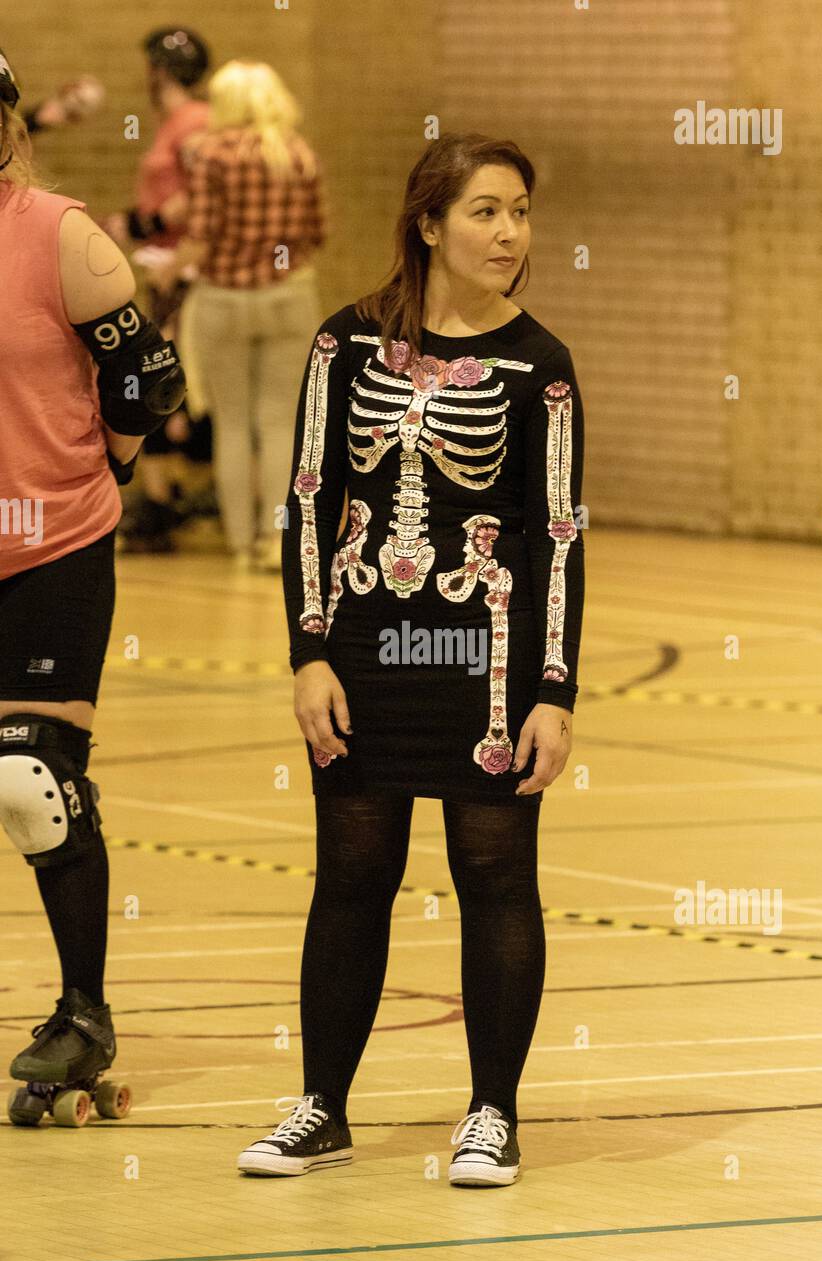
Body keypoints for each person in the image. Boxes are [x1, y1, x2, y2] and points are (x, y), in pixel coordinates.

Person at [237, 132, 586, 1186]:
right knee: (351, 873)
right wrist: (307, 653)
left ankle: (491, 1111)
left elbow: (558, 533)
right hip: (363, 649)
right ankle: (321, 1106)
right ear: (428, 222)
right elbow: (307, 504)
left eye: (519, 211)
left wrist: (553, 689)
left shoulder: (540, 366)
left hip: (482, 655)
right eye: (485, 210)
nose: (509, 233)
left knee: (492, 873)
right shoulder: (341, 348)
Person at [0, 45, 186, 1121]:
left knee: (30, 777)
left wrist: (111, 460)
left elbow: (145, 375)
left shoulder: (58, 233)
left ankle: (82, 1012)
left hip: (51, 541)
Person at [152, 59, 327, 573]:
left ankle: (237, 538)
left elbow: (202, 235)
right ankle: (277, 538)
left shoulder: (211, 154)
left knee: (231, 422)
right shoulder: (298, 154)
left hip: (223, 298)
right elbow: (318, 232)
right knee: (278, 423)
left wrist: (169, 271)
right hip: (290, 296)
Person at [102, 26, 213, 553]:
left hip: (180, 271)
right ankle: (165, 497)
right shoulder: (181, 120)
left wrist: (140, 224)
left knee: (163, 380)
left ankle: (165, 502)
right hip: (168, 268)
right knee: (166, 380)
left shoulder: (194, 122)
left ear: (159, 70)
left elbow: (201, 194)